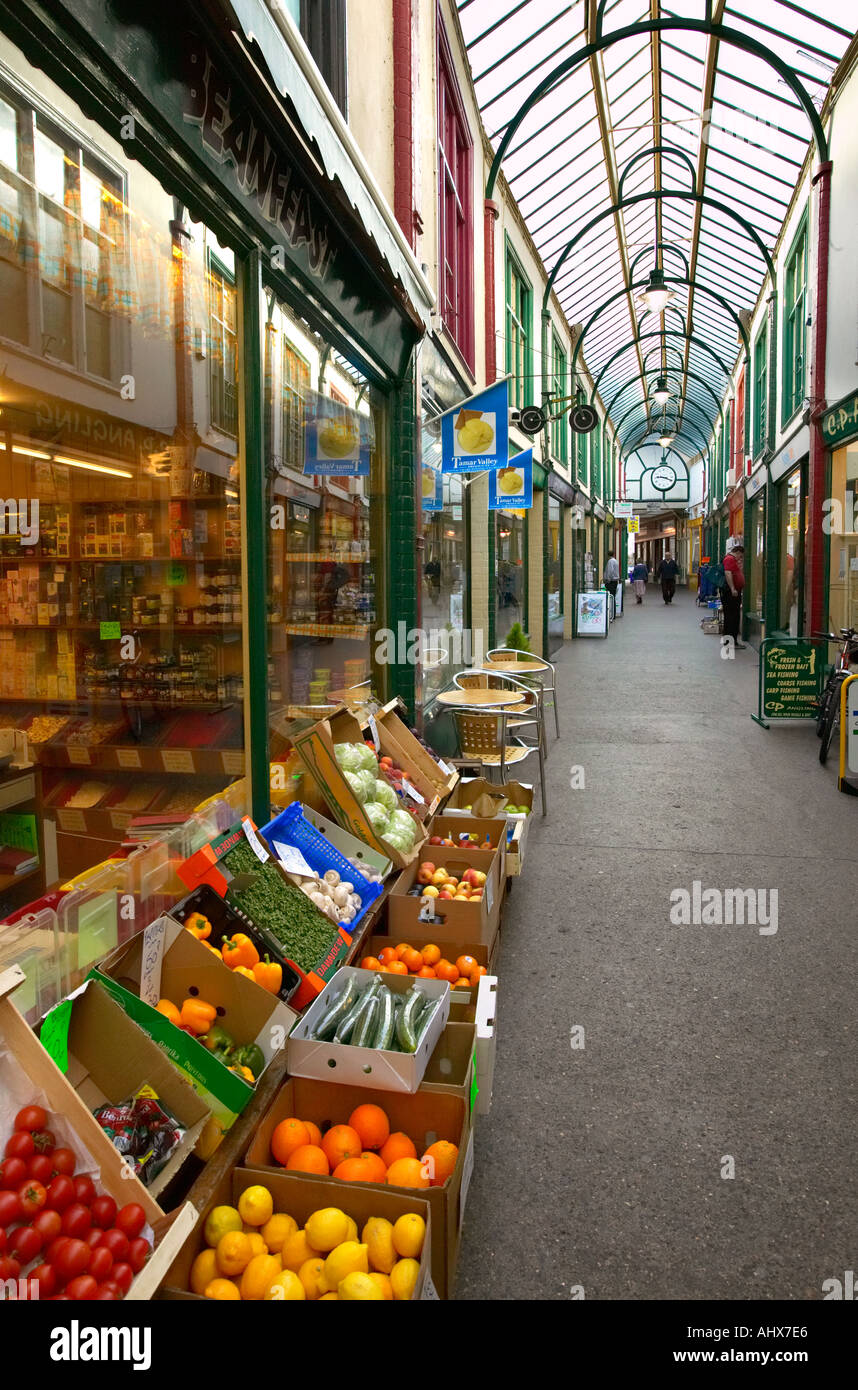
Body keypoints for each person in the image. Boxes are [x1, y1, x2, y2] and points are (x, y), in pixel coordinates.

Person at [721, 536, 746, 648]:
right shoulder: (729, 559)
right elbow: (728, 573)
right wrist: (733, 588)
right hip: (731, 593)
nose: (741, 558)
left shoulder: (731, 559)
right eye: (741, 555)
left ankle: (730, 641)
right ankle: (731, 641)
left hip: (733, 592)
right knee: (732, 616)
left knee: (731, 616)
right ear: (738, 552)